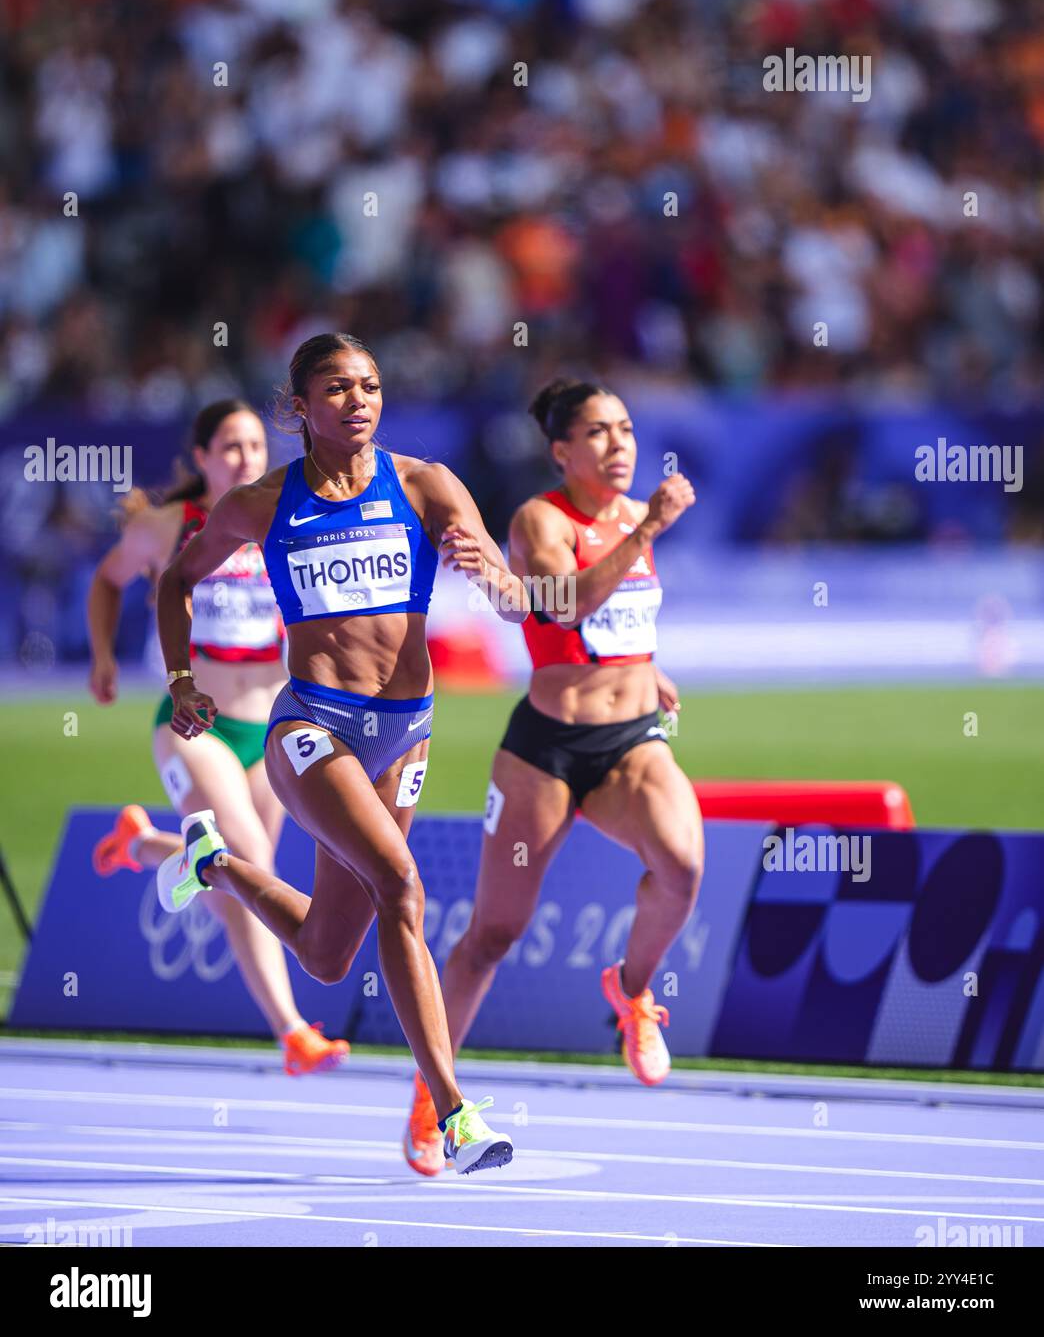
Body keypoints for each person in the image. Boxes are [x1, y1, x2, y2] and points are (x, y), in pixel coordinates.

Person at [154, 332, 532, 1175]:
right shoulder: (261, 503)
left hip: (406, 730)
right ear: (297, 409)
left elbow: (513, 602)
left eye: (369, 385)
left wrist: (495, 579)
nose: (358, 400)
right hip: (311, 726)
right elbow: (176, 581)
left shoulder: (427, 485)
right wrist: (183, 681)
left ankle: (215, 862)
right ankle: (454, 1109)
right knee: (401, 883)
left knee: (327, 954)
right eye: (335, 388)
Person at [403, 378, 704, 1175]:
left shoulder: (632, 518)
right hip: (546, 751)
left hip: (632, 739)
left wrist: (650, 669)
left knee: (681, 866)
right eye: (599, 433)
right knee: (494, 934)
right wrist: (644, 532)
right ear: (562, 450)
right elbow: (563, 608)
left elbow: (619, 624)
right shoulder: (543, 520)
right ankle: (435, 1092)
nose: (620, 445)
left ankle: (633, 992)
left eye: (628, 429)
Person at [87, 399, 349, 1075]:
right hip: (194, 726)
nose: (245, 460)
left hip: (269, 731)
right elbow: (108, 580)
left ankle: (142, 845)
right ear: (201, 457)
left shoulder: (282, 521)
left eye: (256, 447)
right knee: (248, 855)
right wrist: (104, 657)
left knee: (239, 880)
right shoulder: (164, 528)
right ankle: (293, 1031)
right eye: (230, 447)